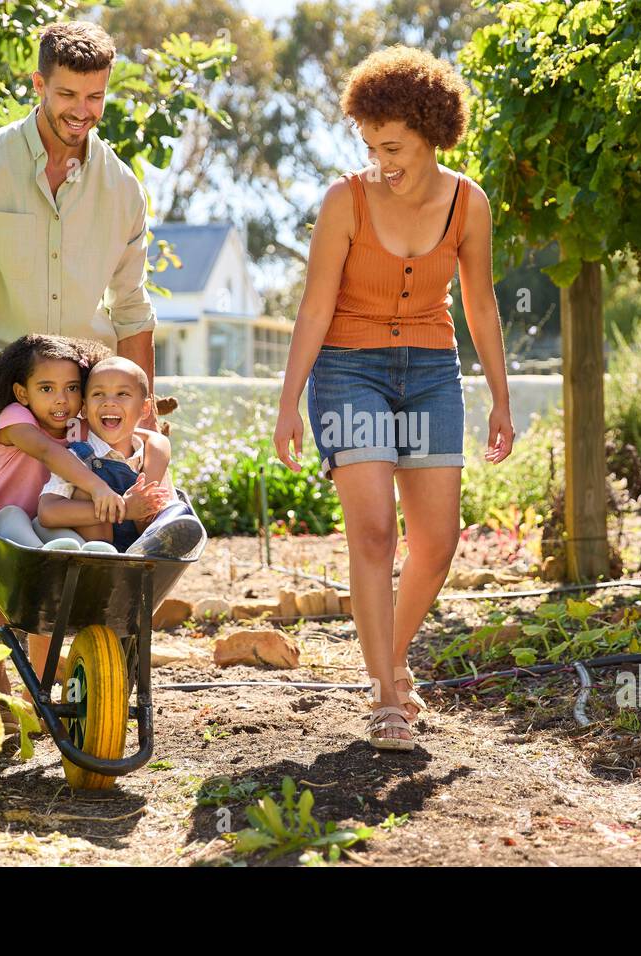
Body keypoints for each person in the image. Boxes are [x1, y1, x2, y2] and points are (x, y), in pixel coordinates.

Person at [272, 46, 514, 751]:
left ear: (432, 132)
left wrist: (500, 398)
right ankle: (386, 695)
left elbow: (481, 305)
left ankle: (388, 656)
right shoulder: (345, 200)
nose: (382, 160)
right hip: (349, 367)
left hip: (433, 368)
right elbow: (315, 307)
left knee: (438, 543)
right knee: (375, 531)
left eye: (395, 146)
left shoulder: (468, 204)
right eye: (371, 145)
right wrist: (289, 402)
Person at [0, 19, 158, 472]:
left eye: (95, 97)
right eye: (67, 95)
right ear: (39, 84)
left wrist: (146, 414)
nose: (82, 111)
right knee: (2, 519)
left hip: (85, 381)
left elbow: (132, 308)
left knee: (89, 522)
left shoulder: (122, 189)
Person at [0, 335, 166, 728]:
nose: (61, 400)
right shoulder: (15, 419)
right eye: (47, 389)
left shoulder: (79, 428)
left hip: (49, 531)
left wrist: (152, 438)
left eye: (73, 389)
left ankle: (34, 698)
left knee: (47, 609)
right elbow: (47, 452)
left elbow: (126, 437)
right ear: (22, 393)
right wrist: (99, 489)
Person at [38, 355, 204, 558]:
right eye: (98, 394)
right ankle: (111, 555)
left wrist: (146, 508)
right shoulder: (75, 459)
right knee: (87, 491)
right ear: (84, 408)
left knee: (169, 506)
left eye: (122, 393)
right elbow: (47, 512)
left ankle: (155, 541)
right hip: (97, 550)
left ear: (144, 408)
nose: (109, 402)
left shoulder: (147, 454)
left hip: (143, 541)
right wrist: (123, 509)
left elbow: (148, 506)